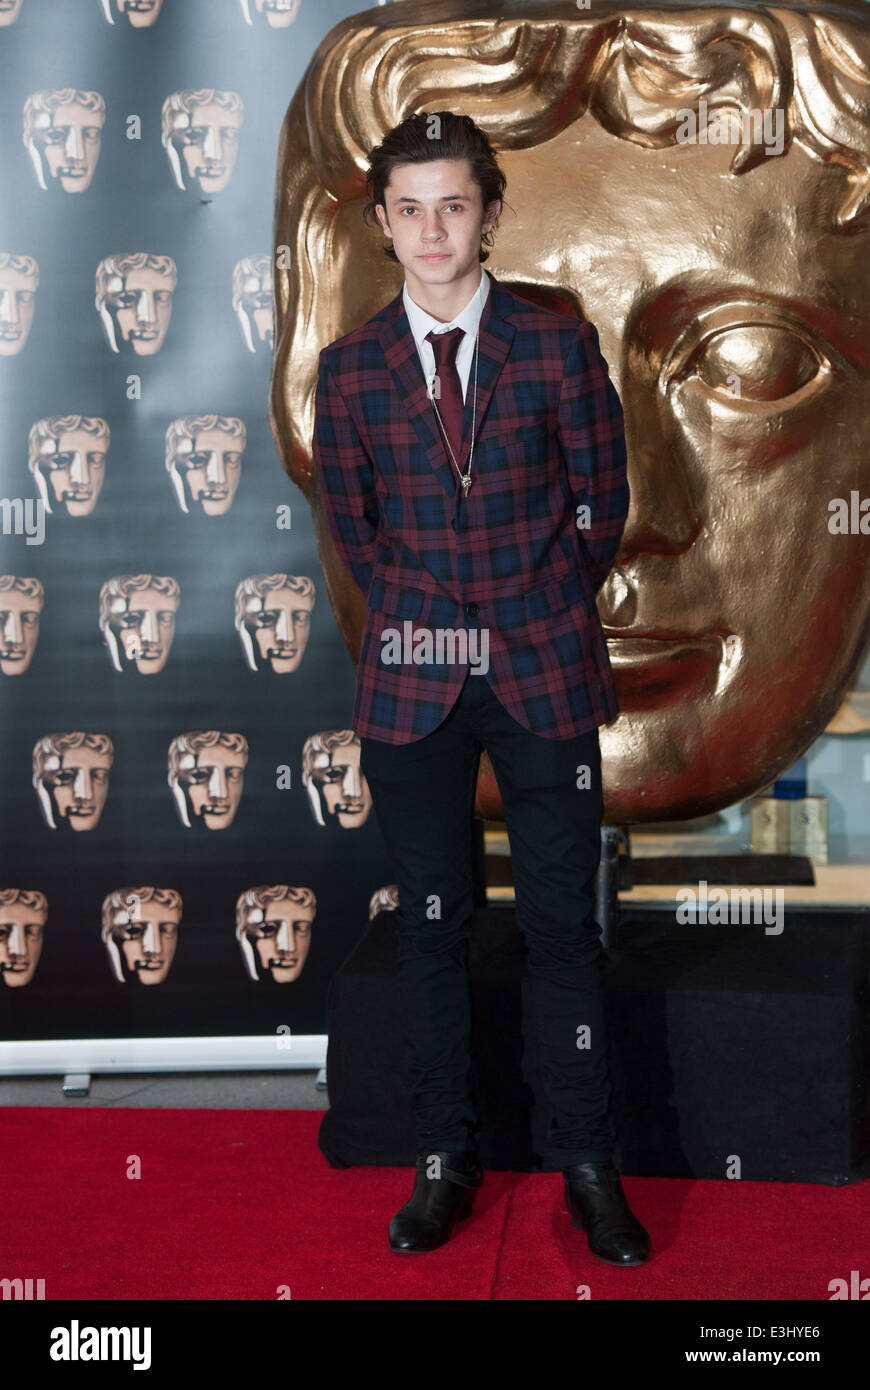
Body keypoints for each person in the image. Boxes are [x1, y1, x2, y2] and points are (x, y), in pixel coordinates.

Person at [312, 110, 649, 1264]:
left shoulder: (557, 345)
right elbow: (355, 534)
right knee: (432, 932)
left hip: (542, 664)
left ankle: (589, 1164)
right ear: (382, 222)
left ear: (491, 213)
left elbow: (601, 508)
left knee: (563, 931)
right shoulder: (351, 368)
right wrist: (430, 618)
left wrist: (532, 608)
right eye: (409, 208)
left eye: (454, 203)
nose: (432, 229)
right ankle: (446, 1159)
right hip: (413, 683)